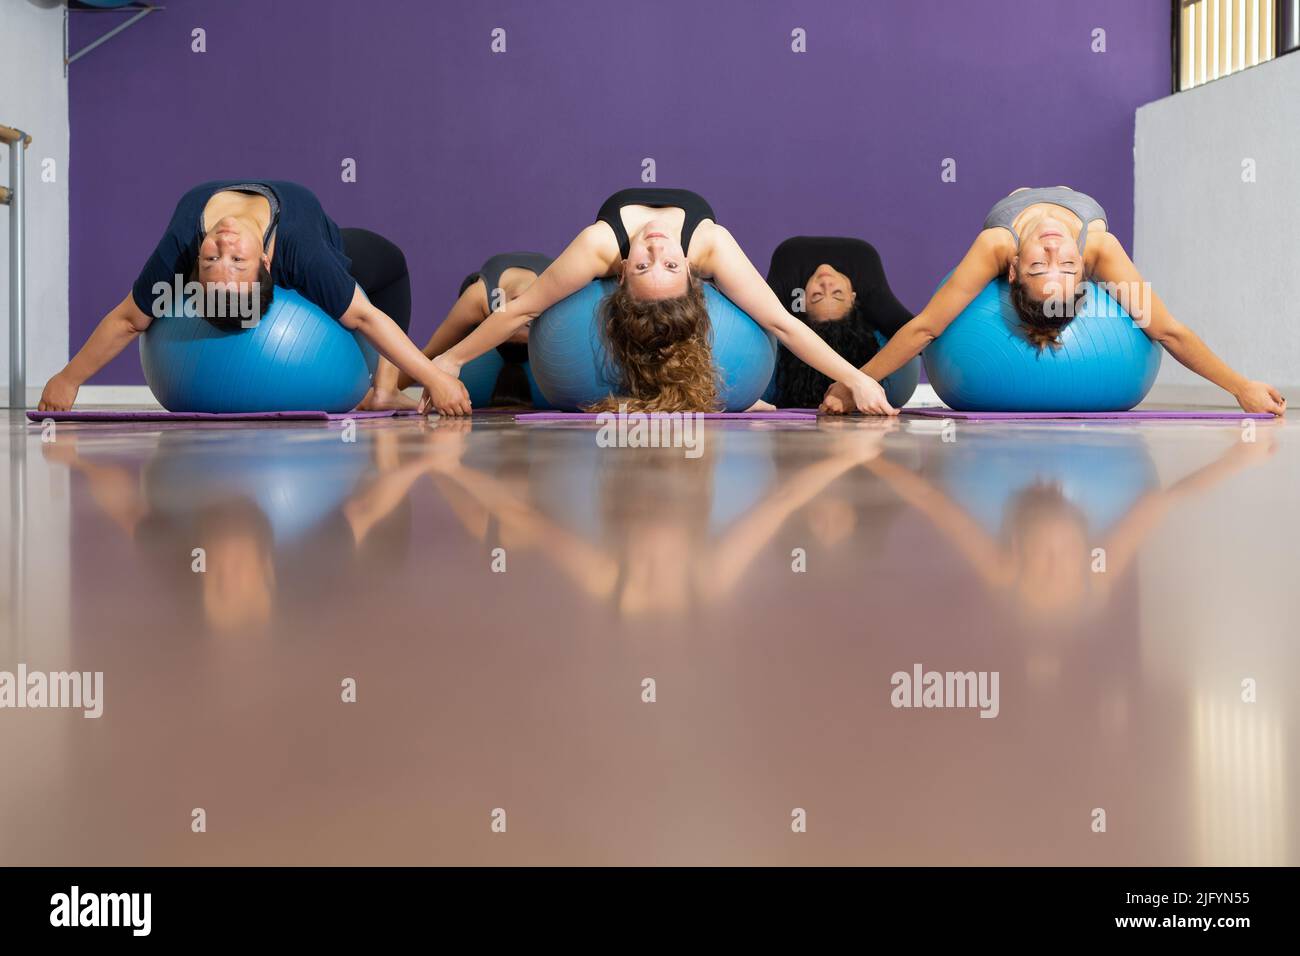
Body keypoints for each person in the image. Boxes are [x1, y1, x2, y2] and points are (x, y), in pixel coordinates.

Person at [821, 186, 1286, 416]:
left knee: (1019, 197)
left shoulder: (998, 246)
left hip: (1015, 203)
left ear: (1011, 272)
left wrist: (850, 384)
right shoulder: (1097, 249)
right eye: (1062, 269)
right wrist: (1241, 387)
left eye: (1042, 268)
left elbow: (928, 327)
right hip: (1077, 203)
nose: (1052, 251)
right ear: (1086, 276)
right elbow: (1165, 330)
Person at [425, 188, 895, 414]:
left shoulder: (601, 247)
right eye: (661, 265)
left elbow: (784, 326)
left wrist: (858, 379)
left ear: (621, 275)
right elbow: (523, 309)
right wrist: (448, 362)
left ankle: (674, 388)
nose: (654, 248)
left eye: (657, 264)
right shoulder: (709, 244)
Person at [36, 179, 471, 415]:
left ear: (192, 272)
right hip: (331, 249)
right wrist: (435, 378)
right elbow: (364, 318)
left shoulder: (183, 244)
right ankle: (383, 391)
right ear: (266, 261)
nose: (223, 244)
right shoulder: (305, 257)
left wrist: (67, 378)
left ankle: (383, 390)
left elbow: (130, 318)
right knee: (389, 265)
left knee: (381, 270)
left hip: (323, 241)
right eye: (234, 262)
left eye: (213, 261)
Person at [765, 236, 912, 408]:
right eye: (838, 293)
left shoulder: (786, 272)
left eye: (816, 296)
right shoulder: (870, 285)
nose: (826, 283)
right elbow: (920, 334)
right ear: (853, 297)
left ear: (802, 302)